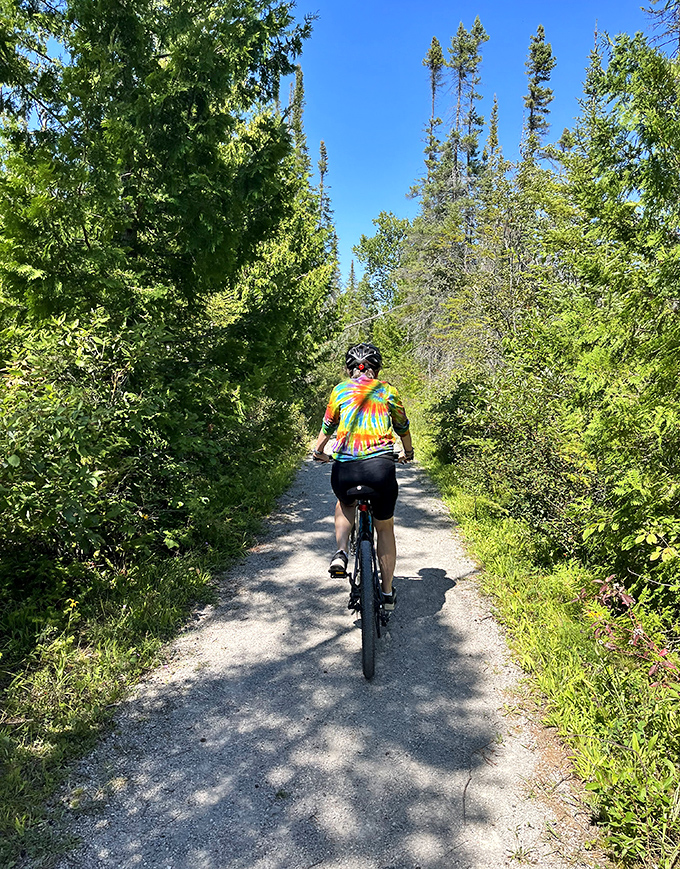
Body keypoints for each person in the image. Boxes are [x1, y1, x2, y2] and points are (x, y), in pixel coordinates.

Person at [312, 342, 413, 611]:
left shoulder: (340, 390)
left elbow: (328, 425)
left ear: (349, 369)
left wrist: (319, 450)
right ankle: (388, 593)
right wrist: (409, 451)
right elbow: (402, 425)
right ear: (376, 368)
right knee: (384, 527)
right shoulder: (387, 391)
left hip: (346, 470)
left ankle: (341, 552)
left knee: (345, 503)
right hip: (380, 469)